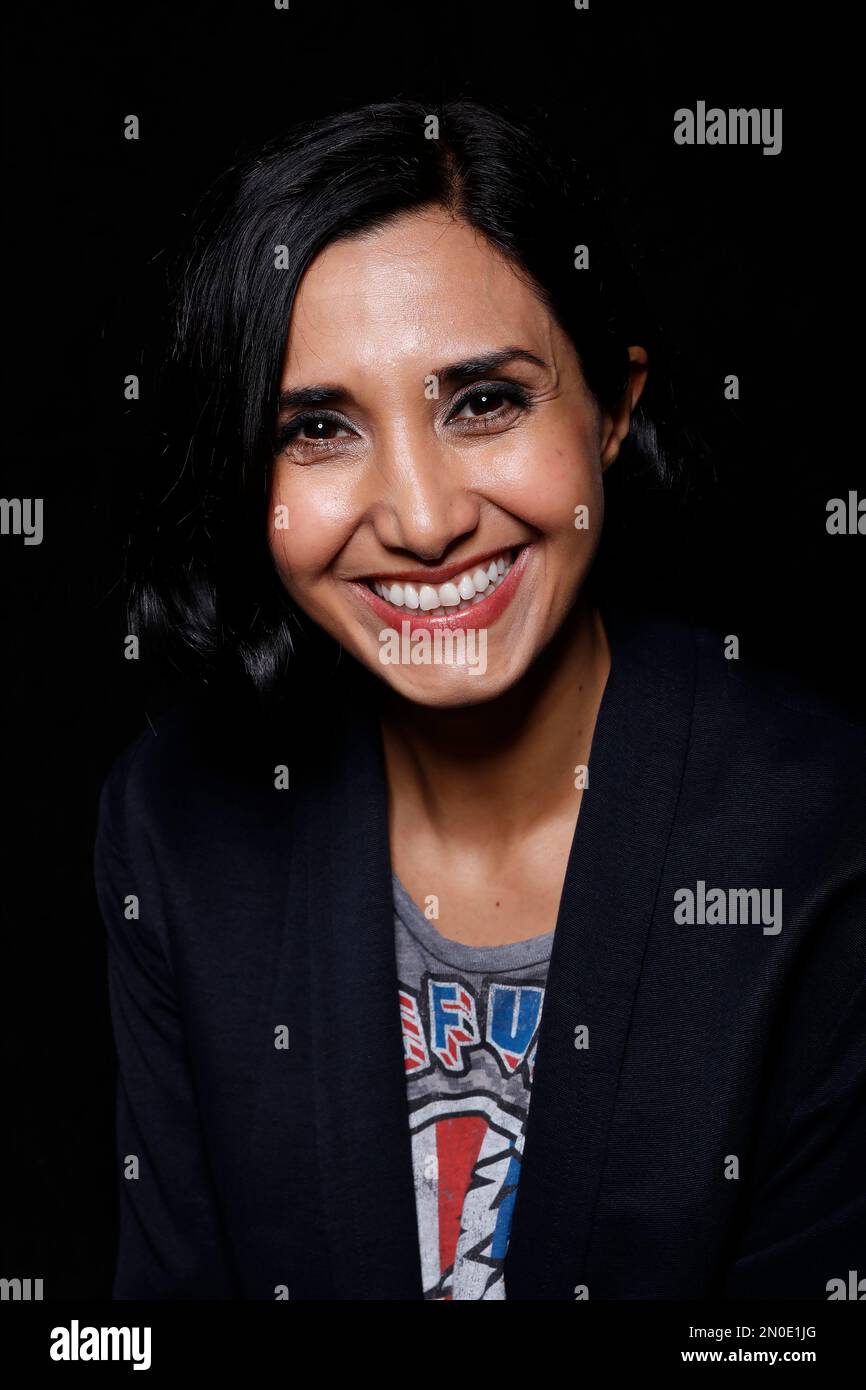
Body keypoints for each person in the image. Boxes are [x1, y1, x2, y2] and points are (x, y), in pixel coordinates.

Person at [95, 99, 866, 1301]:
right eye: (317, 428)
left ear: (612, 407)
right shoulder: (176, 824)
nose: (420, 518)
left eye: (484, 402)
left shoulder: (821, 830)